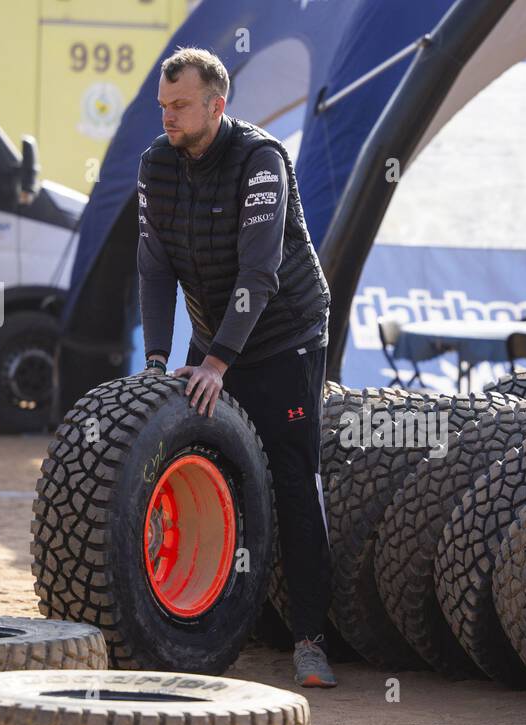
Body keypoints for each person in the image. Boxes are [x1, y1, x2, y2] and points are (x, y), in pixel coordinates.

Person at [136, 47, 337, 688]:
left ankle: (309, 638)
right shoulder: (156, 166)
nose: (167, 116)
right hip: (213, 335)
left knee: (290, 477)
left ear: (216, 106)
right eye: (163, 106)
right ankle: (207, 615)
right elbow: (155, 266)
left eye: (180, 105)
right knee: (201, 468)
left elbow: (260, 273)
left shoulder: (261, 161)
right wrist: (161, 360)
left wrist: (218, 363)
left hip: (284, 337)